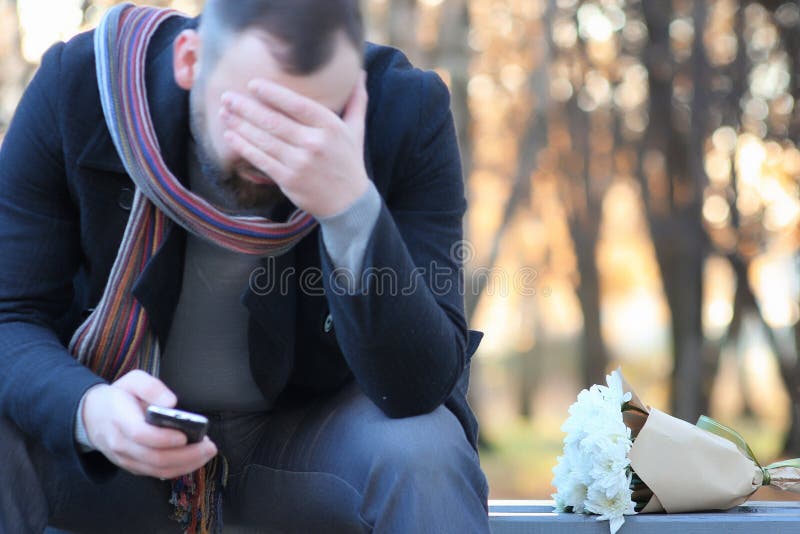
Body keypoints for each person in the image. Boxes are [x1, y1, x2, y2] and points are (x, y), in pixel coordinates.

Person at [0, 0, 489, 532]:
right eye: (252, 111)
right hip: (115, 453)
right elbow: (9, 313)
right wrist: (88, 410)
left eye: (308, 119)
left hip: (303, 446)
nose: (271, 148)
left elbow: (419, 385)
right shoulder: (83, 87)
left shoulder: (403, 111)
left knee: (424, 451)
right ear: (190, 62)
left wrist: (351, 207)